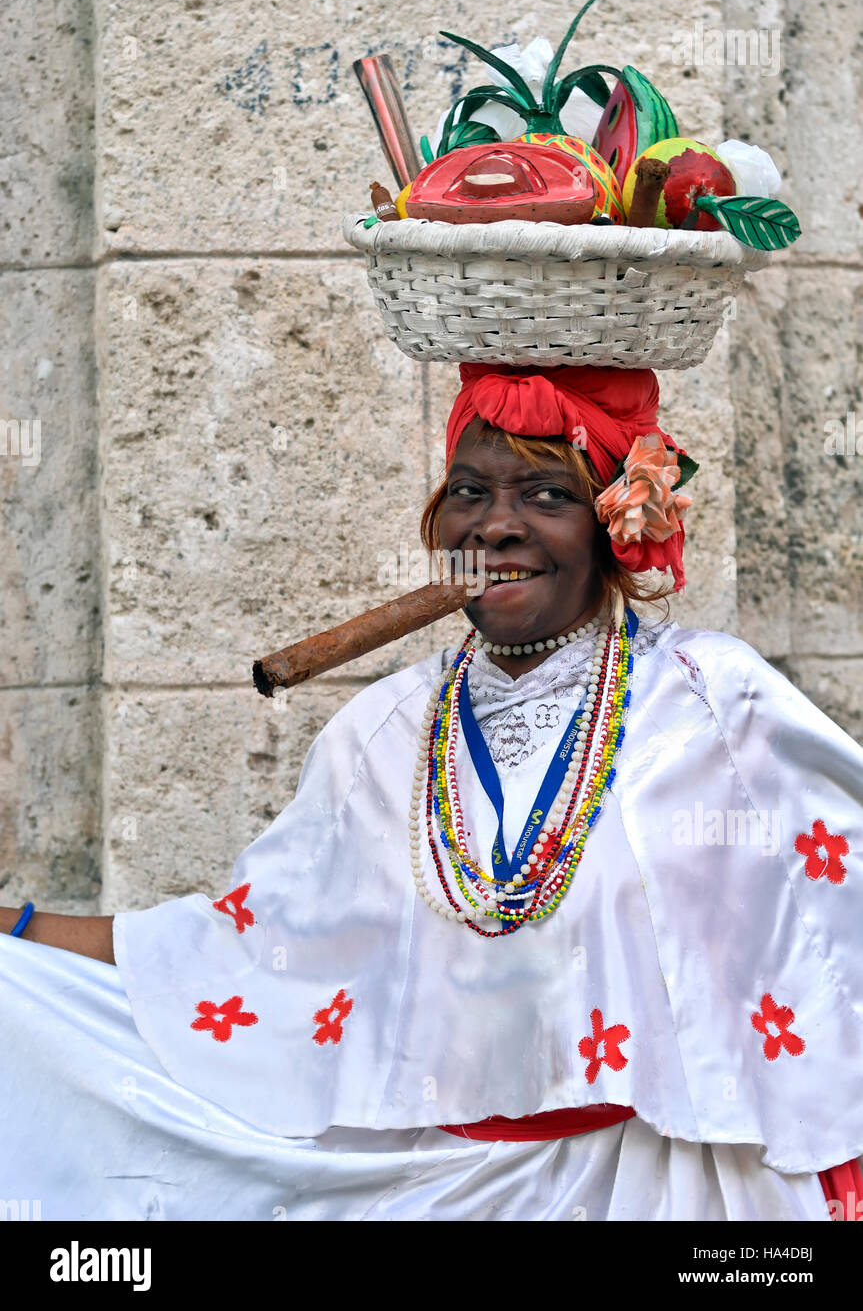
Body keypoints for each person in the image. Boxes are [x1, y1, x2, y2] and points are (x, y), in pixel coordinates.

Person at [1, 362, 862, 1223]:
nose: (495, 525)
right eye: (467, 491)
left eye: (545, 495)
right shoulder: (385, 729)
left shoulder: (713, 703)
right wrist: (25, 936)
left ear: (617, 525)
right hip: (429, 1189)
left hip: (661, 1193)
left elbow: (834, 944)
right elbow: (242, 950)